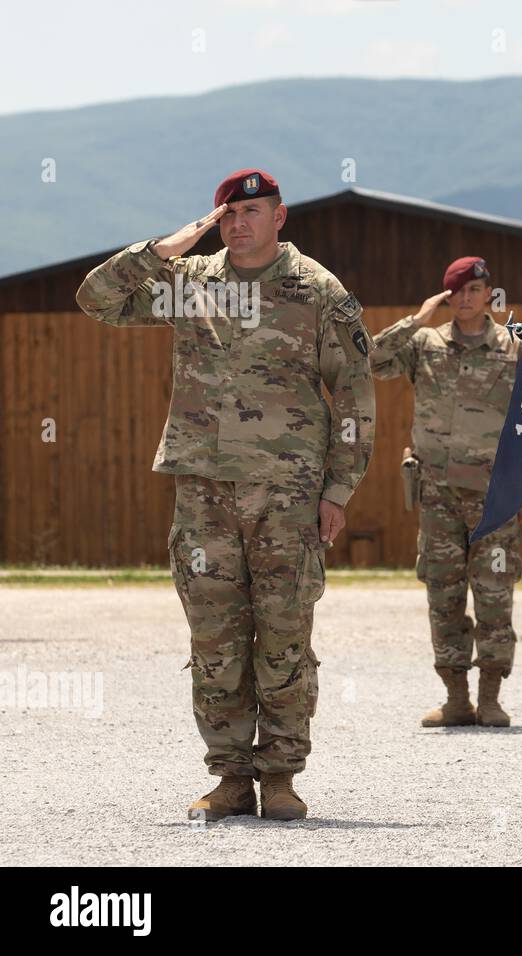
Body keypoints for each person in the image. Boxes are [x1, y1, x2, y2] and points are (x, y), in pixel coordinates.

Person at [75, 168, 375, 820]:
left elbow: (353, 392)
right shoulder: (191, 285)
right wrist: (159, 252)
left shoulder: (317, 290)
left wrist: (340, 487)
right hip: (204, 491)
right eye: (227, 216)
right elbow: (96, 300)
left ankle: (283, 776)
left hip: (288, 491)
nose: (239, 224)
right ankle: (231, 777)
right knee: (214, 637)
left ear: (279, 215)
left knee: (284, 633)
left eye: (252, 211)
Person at [370, 257, 522, 728]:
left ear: (488, 292)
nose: (465, 298)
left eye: (474, 289)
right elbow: (372, 361)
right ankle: (457, 697)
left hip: (494, 493)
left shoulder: (514, 347)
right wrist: (416, 319)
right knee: (443, 592)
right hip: (437, 492)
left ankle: (492, 695)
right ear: (445, 296)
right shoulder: (424, 344)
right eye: (456, 291)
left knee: (495, 592)